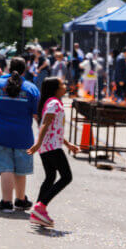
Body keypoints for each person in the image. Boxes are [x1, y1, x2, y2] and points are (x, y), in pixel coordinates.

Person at [0, 58, 40, 213]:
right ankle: (20, 200)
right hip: (23, 136)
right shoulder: (31, 89)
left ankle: (6, 203)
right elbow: (37, 115)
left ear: (7, 68)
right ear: (24, 70)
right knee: (20, 170)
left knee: (5, 167)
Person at [26, 77, 79, 227]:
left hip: (47, 146)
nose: (65, 86)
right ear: (56, 89)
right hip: (50, 146)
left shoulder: (51, 102)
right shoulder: (54, 103)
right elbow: (46, 124)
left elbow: (55, 128)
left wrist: (68, 145)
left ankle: (38, 211)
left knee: (50, 177)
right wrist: (38, 143)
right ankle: (40, 207)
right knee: (66, 177)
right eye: (62, 84)